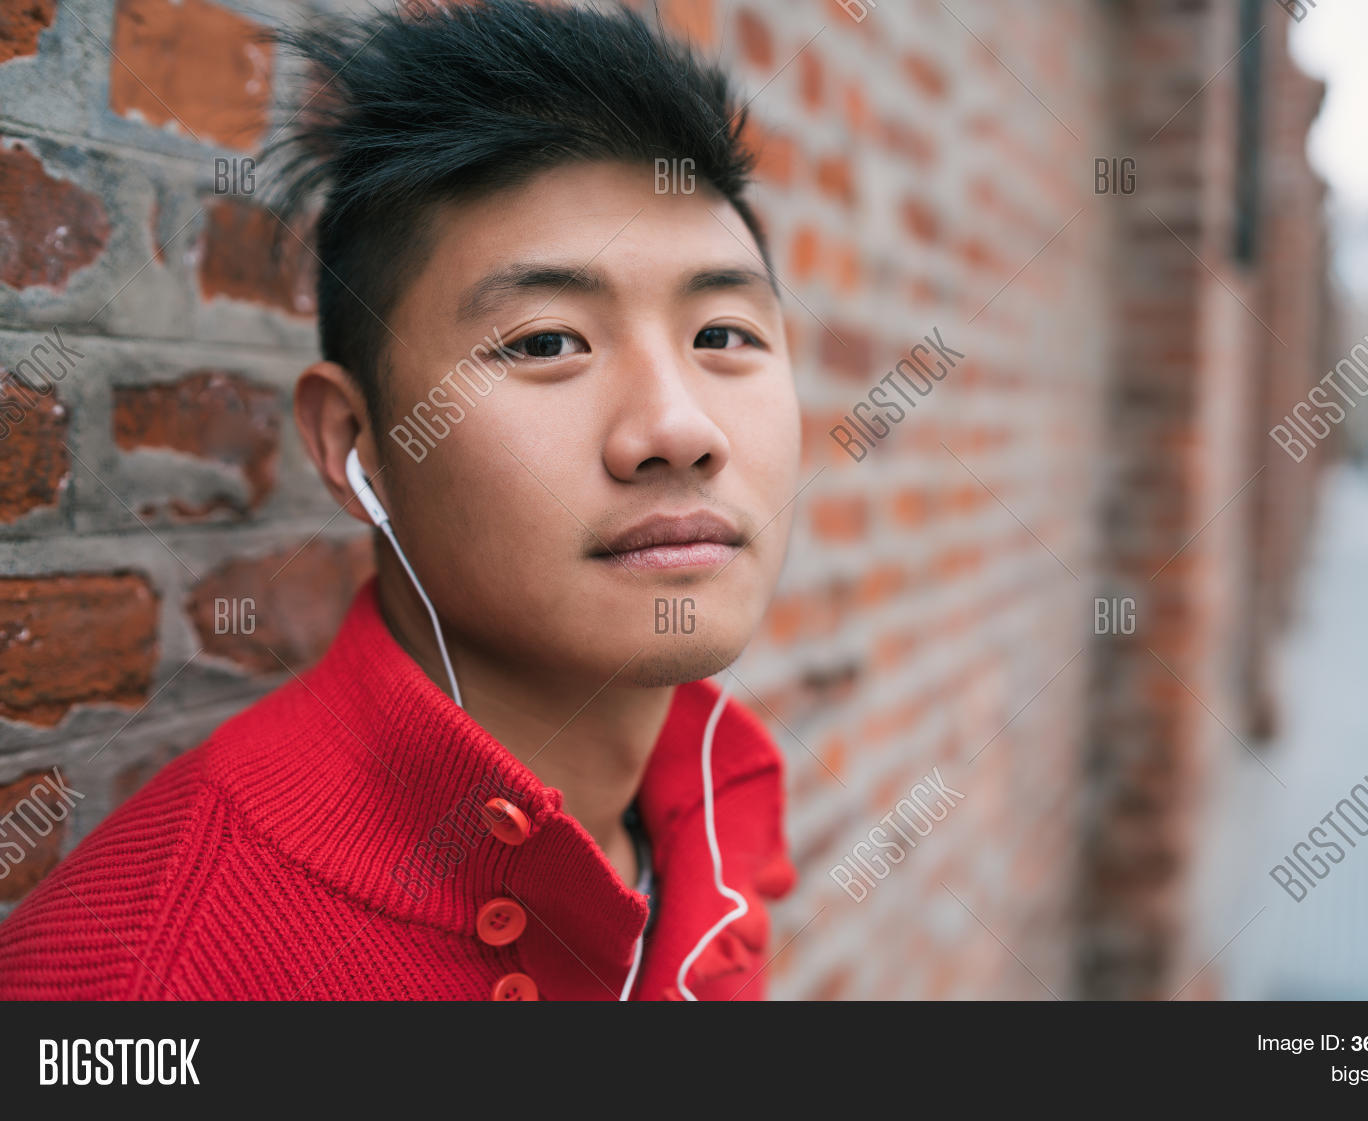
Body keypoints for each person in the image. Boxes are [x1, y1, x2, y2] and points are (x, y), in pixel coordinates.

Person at [0, 0, 801, 1000]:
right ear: (353, 446)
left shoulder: (712, 801)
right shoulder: (150, 980)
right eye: (546, 341)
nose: (681, 430)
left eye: (724, 335)